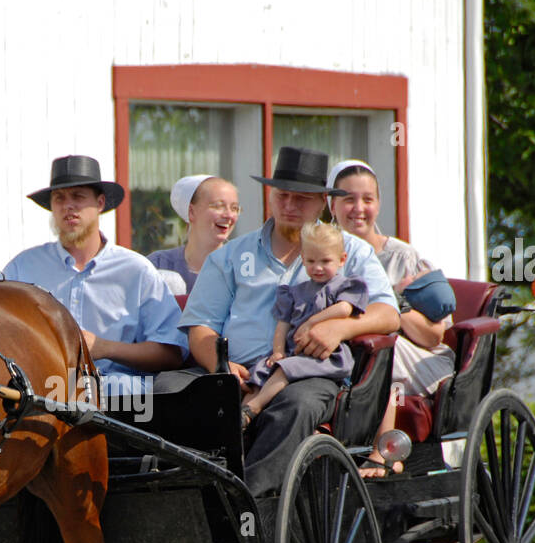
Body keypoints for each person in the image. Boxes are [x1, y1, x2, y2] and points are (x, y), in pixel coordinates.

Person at [175, 146, 400, 497]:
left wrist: (339, 327)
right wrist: (221, 367)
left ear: (324, 201)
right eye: (283, 195)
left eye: (302, 198)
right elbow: (201, 326)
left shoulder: (349, 251)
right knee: (167, 391)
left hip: (311, 372)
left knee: (294, 406)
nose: (290, 205)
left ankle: (246, 505)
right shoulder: (231, 256)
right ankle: (178, 501)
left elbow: (388, 314)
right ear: (270, 195)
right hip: (236, 371)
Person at [4, 155, 187, 396]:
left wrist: (103, 347)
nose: (68, 206)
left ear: (100, 203)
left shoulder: (136, 270)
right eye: (59, 198)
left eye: (78, 197)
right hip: (41, 396)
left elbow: (171, 354)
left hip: (121, 405)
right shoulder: (22, 268)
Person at [327, 159, 456, 475]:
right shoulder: (322, 258)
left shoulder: (402, 257)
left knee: (384, 345)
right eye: (348, 199)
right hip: (354, 364)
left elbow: (433, 336)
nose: (358, 208)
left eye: (367, 199)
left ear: (378, 204)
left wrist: (393, 302)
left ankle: (383, 451)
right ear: (331, 205)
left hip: (421, 362)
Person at [242, 222, 368, 427]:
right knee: (260, 373)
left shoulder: (343, 286)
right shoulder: (294, 292)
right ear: (302, 259)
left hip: (325, 357)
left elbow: (344, 309)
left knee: (284, 369)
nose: (317, 267)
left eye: (325, 261)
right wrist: (278, 351)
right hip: (294, 354)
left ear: (341, 259)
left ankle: (253, 408)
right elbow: (282, 324)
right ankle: (241, 421)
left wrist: (312, 322)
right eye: (310, 261)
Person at [147, 175, 240, 295]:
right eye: (218, 206)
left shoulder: (246, 268)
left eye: (234, 208)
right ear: (191, 212)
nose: (229, 215)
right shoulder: (159, 265)